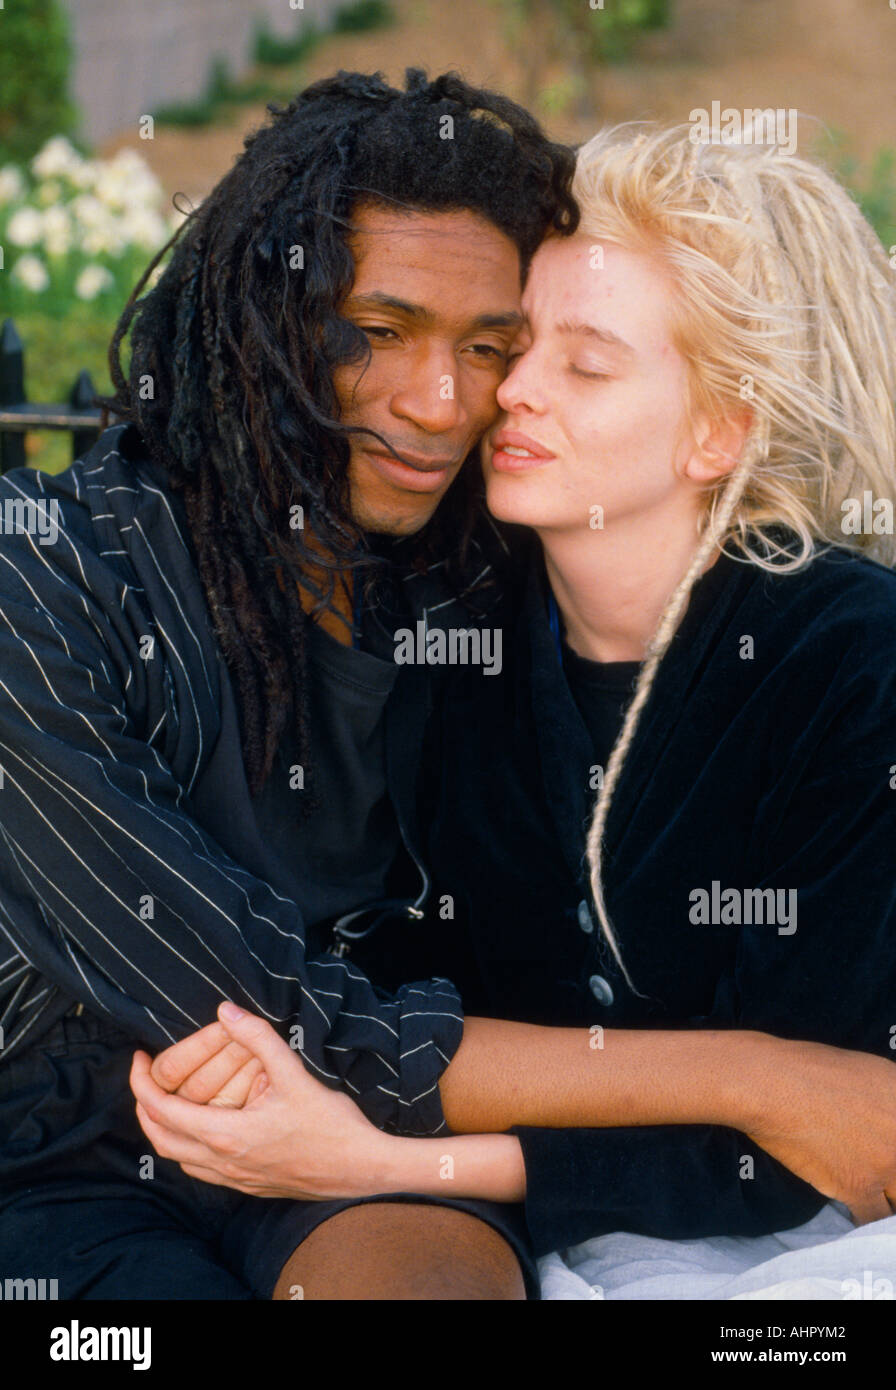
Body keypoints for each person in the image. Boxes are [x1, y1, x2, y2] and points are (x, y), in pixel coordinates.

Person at [125, 119, 896, 1299]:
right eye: (516, 346)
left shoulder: (851, 660)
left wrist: (384, 1156)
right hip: (528, 1230)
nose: (510, 392)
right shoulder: (456, 632)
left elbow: (819, 1130)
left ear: (717, 430)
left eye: (584, 366)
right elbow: (411, 981)